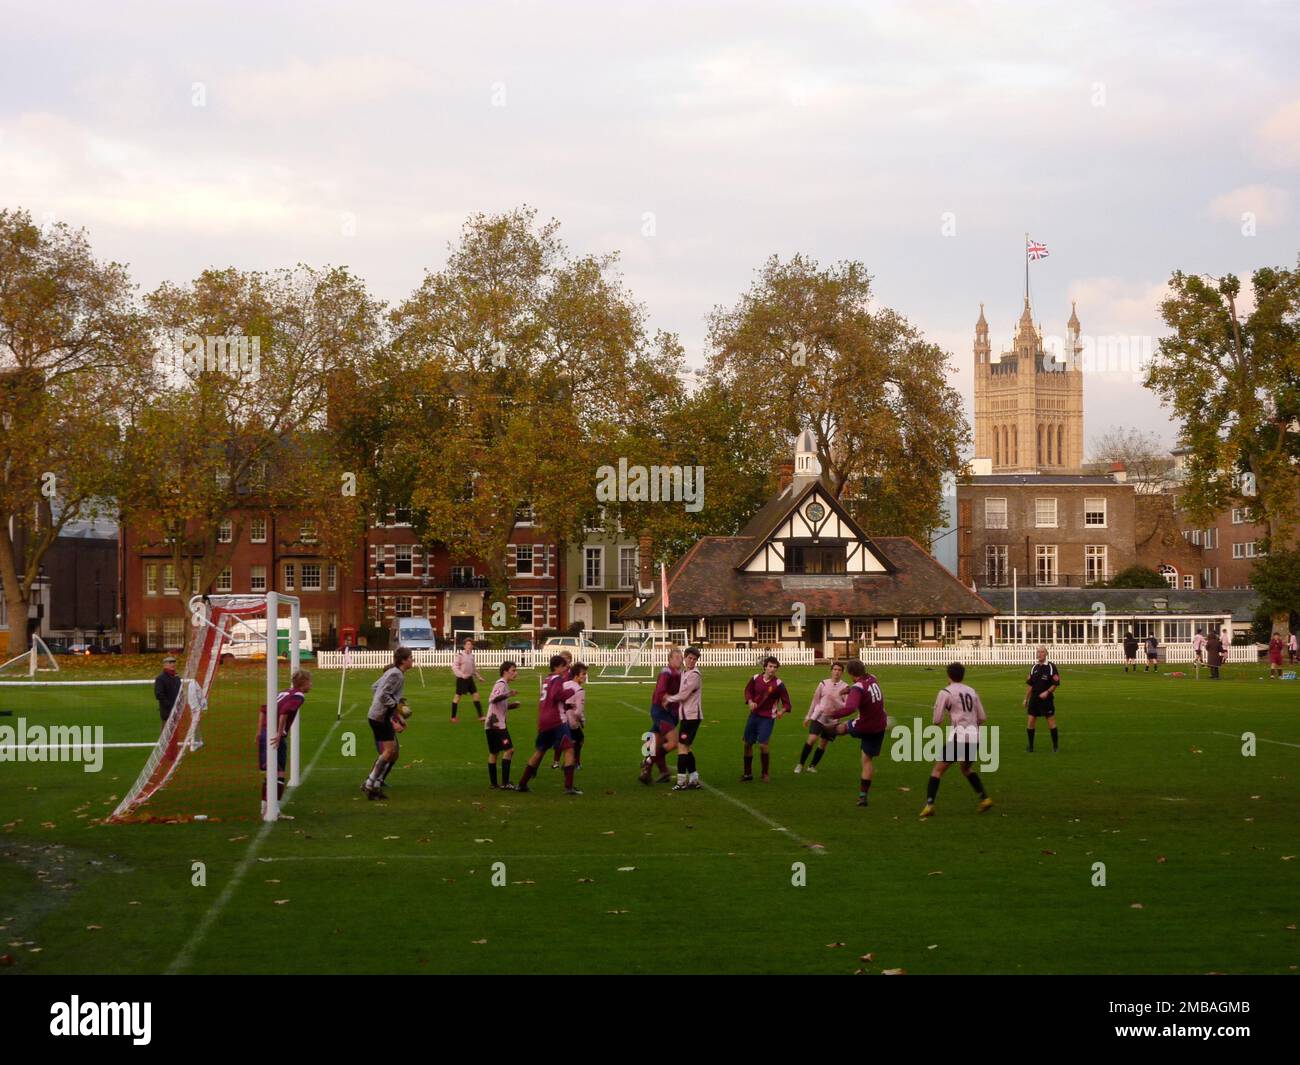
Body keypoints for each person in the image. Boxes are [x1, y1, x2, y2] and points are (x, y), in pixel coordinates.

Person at [919, 662, 993, 819]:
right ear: (963, 675)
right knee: (966, 769)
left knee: (937, 770)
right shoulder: (971, 691)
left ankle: (929, 805)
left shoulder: (945, 692)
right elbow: (982, 717)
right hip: (974, 738)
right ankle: (985, 798)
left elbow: (937, 720)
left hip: (959, 738)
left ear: (948, 675)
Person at [514, 655, 580, 795]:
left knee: (540, 751)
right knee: (569, 749)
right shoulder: (557, 679)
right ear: (557, 667)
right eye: (563, 666)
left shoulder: (547, 679)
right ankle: (569, 787)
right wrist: (571, 691)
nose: (565, 668)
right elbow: (556, 696)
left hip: (543, 719)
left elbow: (550, 698)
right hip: (556, 720)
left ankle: (522, 783)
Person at [827, 660, 887, 808]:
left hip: (865, 724)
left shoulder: (858, 688)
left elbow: (850, 708)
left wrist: (833, 714)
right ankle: (863, 796)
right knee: (867, 759)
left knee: (842, 728)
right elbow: (864, 686)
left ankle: (826, 732)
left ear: (850, 673)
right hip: (880, 725)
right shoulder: (872, 678)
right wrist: (849, 689)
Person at [258, 670, 312, 816]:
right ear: (304, 683)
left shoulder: (285, 692)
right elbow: (284, 713)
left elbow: (263, 709)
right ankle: (273, 810)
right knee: (279, 773)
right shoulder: (298, 696)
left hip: (265, 733)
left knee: (271, 772)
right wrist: (279, 732)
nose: (311, 685)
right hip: (275, 736)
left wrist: (259, 732)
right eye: (310, 682)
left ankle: (264, 808)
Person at [363, 648, 413, 800]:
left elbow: (376, 688)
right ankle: (370, 783)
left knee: (391, 752)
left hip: (377, 715)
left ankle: (375, 786)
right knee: (389, 752)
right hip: (380, 717)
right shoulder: (396, 674)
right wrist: (396, 706)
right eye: (410, 657)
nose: (412, 660)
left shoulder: (393, 672)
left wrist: (396, 702)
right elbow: (384, 694)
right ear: (403, 660)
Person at [741, 656, 791, 782]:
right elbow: (748, 691)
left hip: (767, 718)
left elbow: (787, 703)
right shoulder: (755, 678)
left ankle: (765, 773)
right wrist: (750, 701)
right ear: (765, 667)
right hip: (754, 715)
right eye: (770, 666)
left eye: (775, 667)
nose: (772, 669)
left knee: (763, 745)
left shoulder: (779, 684)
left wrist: (781, 711)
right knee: (747, 744)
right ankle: (747, 774)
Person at [796, 661, 848, 773]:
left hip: (832, 720)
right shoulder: (823, 684)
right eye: (835, 669)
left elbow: (846, 706)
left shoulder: (845, 687)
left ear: (842, 673)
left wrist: (835, 701)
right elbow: (815, 700)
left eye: (839, 670)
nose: (837, 672)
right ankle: (800, 764)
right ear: (831, 671)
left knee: (823, 743)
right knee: (812, 739)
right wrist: (808, 716)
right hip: (819, 715)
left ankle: (812, 766)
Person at [639, 649, 682, 785]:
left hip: (672, 714)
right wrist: (665, 697)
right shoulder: (666, 673)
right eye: (675, 657)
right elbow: (660, 690)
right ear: (669, 659)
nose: (679, 660)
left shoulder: (680, 674)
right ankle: (648, 762)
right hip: (661, 711)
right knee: (673, 742)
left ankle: (660, 772)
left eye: (680, 657)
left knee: (655, 741)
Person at [664, 647, 703, 790]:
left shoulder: (695, 675)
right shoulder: (685, 672)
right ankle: (693, 779)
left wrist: (669, 699)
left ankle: (681, 782)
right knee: (687, 747)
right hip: (687, 716)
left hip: (692, 716)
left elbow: (684, 694)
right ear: (685, 658)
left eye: (694, 659)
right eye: (690, 658)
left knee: (681, 747)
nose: (692, 661)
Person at [485, 660, 521, 789]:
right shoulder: (501, 684)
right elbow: (493, 700)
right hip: (497, 725)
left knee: (494, 752)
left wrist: (511, 706)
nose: (515, 673)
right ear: (505, 672)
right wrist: (508, 694)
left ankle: (494, 784)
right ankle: (505, 783)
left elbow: (499, 705)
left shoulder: (503, 684)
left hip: (491, 724)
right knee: (509, 750)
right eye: (513, 670)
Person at [1024, 645, 1060, 752]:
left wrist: (1047, 692)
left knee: (1051, 722)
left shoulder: (1051, 667)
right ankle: (1030, 747)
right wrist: (1026, 698)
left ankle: (1055, 747)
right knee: (1030, 721)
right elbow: (1030, 685)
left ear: (1046, 654)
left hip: (1046, 700)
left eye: (1042, 652)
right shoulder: (1034, 667)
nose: (1039, 654)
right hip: (1034, 699)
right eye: (1038, 652)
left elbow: (1055, 683)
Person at [451, 636, 485, 723]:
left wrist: (479, 677)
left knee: (476, 695)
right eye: (468, 644)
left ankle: (481, 716)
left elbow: (473, 669)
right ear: (464, 646)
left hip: (470, 680)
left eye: (471, 644)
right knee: (457, 697)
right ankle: (453, 717)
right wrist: (462, 675)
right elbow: (454, 667)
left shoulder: (472, 656)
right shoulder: (460, 655)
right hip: (461, 680)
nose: (469, 646)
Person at [564, 663, 588, 769]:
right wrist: (582, 721)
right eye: (583, 674)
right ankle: (574, 762)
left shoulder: (565, 684)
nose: (585, 676)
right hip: (572, 720)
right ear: (576, 675)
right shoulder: (579, 690)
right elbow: (578, 712)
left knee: (568, 741)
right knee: (579, 739)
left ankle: (565, 762)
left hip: (561, 718)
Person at [153, 655, 181, 732]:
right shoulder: (160, 678)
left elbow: (180, 690)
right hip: (167, 708)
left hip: (177, 707)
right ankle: (164, 744)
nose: (173, 664)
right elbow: (159, 694)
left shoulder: (176, 677)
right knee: (166, 729)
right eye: (170, 662)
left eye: (174, 662)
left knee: (176, 728)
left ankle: (174, 743)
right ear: (164, 665)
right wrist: (169, 704)